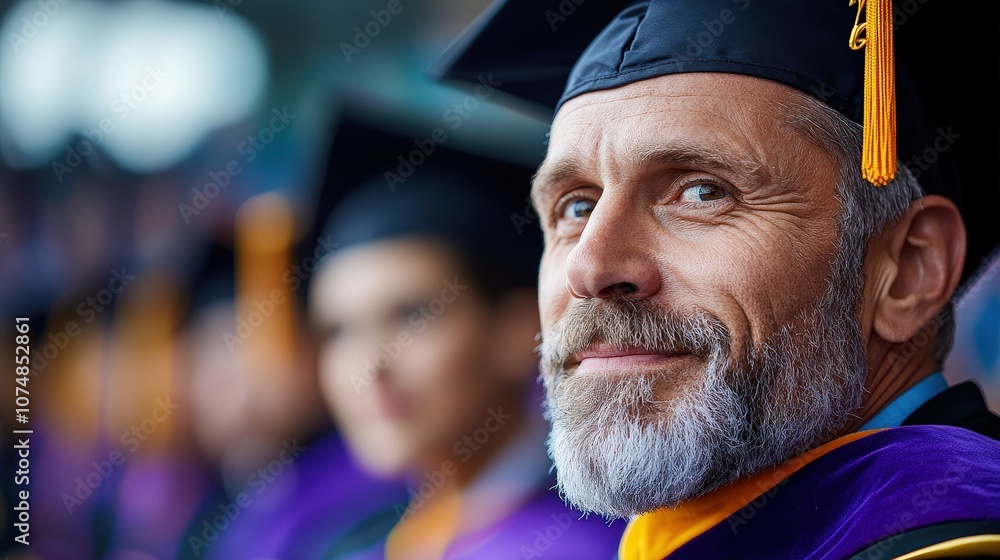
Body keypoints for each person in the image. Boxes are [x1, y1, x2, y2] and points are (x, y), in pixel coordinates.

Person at [434, 1, 1000, 558]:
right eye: (576, 208)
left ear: (907, 271)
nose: (589, 268)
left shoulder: (942, 534)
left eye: (703, 192)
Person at [303, 104, 624, 559]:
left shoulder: (587, 545)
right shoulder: (364, 540)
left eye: (411, 315)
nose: (367, 366)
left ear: (520, 331)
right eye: (337, 331)